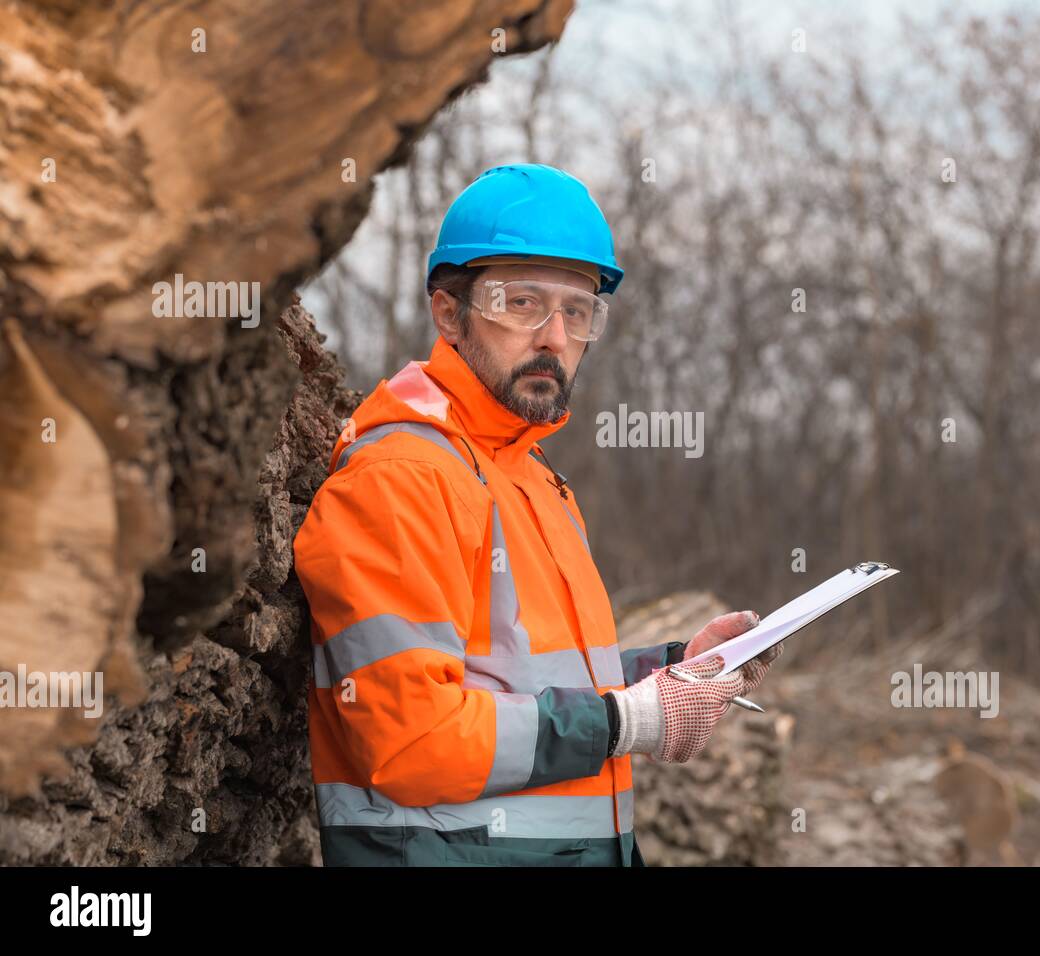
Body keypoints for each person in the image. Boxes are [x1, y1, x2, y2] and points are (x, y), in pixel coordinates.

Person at [294, 163, 781, 867]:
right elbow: (410, 740)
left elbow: (527, 679)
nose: (554, 336)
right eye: (520, 302)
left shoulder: (529, 476)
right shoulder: (401, 479)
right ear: (448, 311)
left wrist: (672, 668)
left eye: (577, 312)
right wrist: (633, 719)